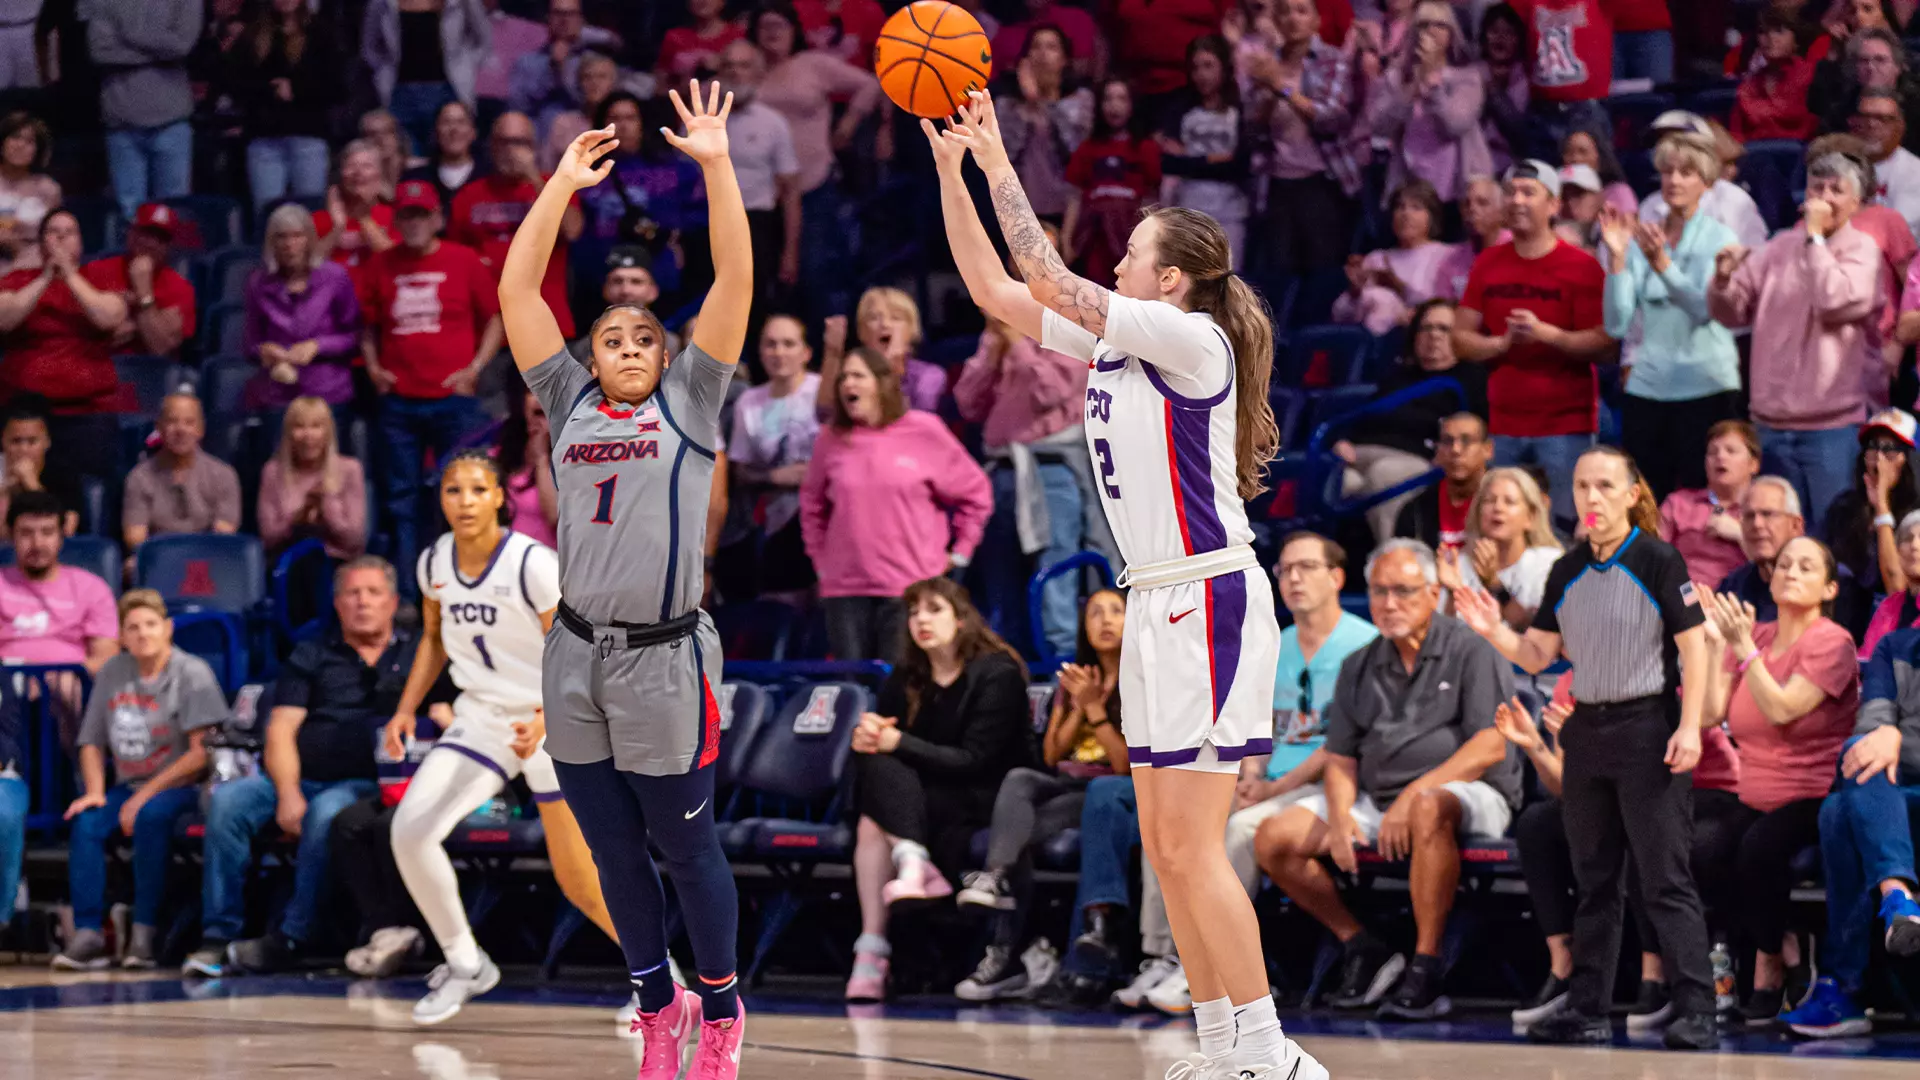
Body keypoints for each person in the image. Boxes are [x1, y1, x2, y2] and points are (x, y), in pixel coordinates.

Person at [930, 89, 1328, 1079]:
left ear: (1174, 279)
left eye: (1133, 254)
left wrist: (999, 157)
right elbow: (995, 289)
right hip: (1153, 598)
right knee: (1163, 842)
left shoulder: (1195, 341)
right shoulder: (1118, 343)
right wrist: (951, 172)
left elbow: (1046, 272)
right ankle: (1222, 1046)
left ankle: (1273, 1052)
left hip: (1207, 596)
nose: (1116, 267)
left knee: (1193, 845)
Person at [503, 85, 753, 1075]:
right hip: (575, 653)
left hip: (665, 657)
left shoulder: (692, 400)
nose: (630, 348)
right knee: (611, 853)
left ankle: (723, 1011)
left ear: (669, 352)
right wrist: (560, 187)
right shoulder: (566, 401)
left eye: (646, 336)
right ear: (591, 355)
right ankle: (658, 1004)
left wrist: (718, 166)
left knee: (686, 849)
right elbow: (517, 296)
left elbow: (734, 277)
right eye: (613, 337)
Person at [1454, 446, 1718, 1049]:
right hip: (1587, 730)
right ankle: (1588, 1008)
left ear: (1631, 494)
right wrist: (1492, 629)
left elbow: (1695, 646)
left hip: (1648, 726)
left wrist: (1689, 727)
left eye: (1604, 485)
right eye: (1581, 486)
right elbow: (1537, 655)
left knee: (1664, 878)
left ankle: (1697, 1006)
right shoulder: (1566, 569)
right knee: (1594, 879)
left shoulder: (1658, 558)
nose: (1591, 497)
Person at [371, 450, 617, 1023]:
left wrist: (548, 717)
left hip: (554, 718)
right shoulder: (434, 560)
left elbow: (577, 652)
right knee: (410, 831)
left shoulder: (532, 564)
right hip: (484, 717)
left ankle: (660, 981)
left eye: (478, 490)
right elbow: (434, 638)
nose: (465, 502)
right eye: (453, 491)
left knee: (579, 878)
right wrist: (406, 708)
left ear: (500, 497)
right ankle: (466, 963)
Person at [1255, 539, 1519, 1019]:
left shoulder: (1471, 648)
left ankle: (1426, 965)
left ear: (1434, 593)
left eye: (1404, 591)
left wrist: (1414, 796)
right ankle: (1361, 944)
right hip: (1381, 800)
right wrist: (1340, 818)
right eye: (1379, 591)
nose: (1389, 603)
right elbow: (1340, 758)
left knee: (1428, 807)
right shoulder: (1360, 662)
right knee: (1274, 837)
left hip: (1472, 795)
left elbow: (1491, 745)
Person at [1119, 534, 1379, 1015]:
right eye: (1285, 569)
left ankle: (1209, 965)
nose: (1293, 578)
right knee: (1174, 828)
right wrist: (1250, 777)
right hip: (1269, 783)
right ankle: (1163, 954)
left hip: (1329, 787)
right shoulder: (1274, 640)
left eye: (1306, 567)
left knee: (1237, 831)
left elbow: (1347, 744)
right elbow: (1255, 722)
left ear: (1337, 577)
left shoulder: (1365, 644)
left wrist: (1274, 787)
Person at [185, 557, 414, 977]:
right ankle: (217, 935)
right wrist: (288, 793)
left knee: (325, 814)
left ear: (393, 602)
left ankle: (292, 936)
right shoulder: (311, 653)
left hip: (367, 783)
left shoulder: (415, 655)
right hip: (300, 778)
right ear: (337, 603)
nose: (363, 602)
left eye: (373, 593)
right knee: (229, 801)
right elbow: (281, 729)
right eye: (352, 593)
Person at [1696, 538, 1860, 1022]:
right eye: (1785, 564)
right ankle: (1780, 942)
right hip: (1752, 792)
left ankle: (1768, 962)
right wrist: (1715, 642)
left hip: (1814, 795)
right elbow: (1710, 713)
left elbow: (1783, 708)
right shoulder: (1756, 635)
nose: (1791, 571)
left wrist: (1744, 648)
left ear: (1828, 588)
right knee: (1699, 844)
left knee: (1758, 847)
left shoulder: (1833, 643)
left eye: (1806, 567)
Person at [847, 577, 1033, 1000]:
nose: (921, 621)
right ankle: (906, 877)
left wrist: (897, 742)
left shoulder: (998, 672)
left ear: (961, 618)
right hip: (924, 795)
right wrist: (870, 737)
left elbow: (977, 760)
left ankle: (873, 949)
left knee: (875, 819)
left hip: (990, 797)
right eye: (914, 612)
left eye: (934, 610)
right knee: (873, 766)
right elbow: (891, 747)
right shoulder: (907, 675)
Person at [956, 588, 1128, 1001]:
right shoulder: (1075, 679)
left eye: (1116, 611)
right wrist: (1076, 706)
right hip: (1066, 781)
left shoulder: (1140, 681)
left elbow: (1124, 765)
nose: (1105, 620)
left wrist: (1095, 709)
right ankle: (994, 880)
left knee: (1015, 836)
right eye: (1095, 613)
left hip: (1106, 791)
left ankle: (1011, 951)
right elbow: (1052, 755)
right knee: (1020, 779)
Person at [1708, 148, 1881, 535]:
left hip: (1832, 427)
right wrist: (1722, 281)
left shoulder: (1864, 250)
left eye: (1836, 190)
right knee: (1775, 537)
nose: (1823, 198)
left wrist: (1815, 240)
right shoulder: (1777, 247)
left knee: (1834, 538)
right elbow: (1730, 313)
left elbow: (1833, 300)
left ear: (1855, 203)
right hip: (1769, 424)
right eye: (1816, 188)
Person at [52, 591, 225, 970]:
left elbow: (201, 754)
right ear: (121, 637)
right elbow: (91, 741)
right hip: (127, 786)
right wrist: (95, 792)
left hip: (182, 787)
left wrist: (142, 796)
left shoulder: (191, 672)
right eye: (133, 627)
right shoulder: (113, 671)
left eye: (151, 624)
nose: (143, 633)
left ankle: (144, 934)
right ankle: (88, 933)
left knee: (150, 817)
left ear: (168, 629)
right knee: (86, 821)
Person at [357, 179, 502, 599]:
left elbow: (495, 318)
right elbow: (367, 326)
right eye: (407, 215)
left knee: (463, 497)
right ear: (397, 221)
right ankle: (409, 595)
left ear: (437, 218)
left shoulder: (464, 260)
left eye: (422, 215)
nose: (415, 223)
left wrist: (475, 368)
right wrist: (374, 369)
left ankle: (464, 589)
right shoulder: (380, 265)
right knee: (402, 501)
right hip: (399, 402)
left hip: (455, 401)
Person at [800, 346, 991, 662]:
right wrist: (821, 561)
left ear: (882, 383)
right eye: (844, 377)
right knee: (852, 684)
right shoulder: (830, 439)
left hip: (910, 588)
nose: (848, 383)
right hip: (845, 590)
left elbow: (976, 492)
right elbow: (811, 505)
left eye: (858, 375)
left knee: (903, 683)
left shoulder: (924, 430)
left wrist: (961, 551)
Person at [1453, 161, 1612, 532]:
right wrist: (1501, 343)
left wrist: (1548, 335)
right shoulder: (1487, 262)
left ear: (1553, 205)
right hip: (1503, 421)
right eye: (1511, 192)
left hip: (1566, 424)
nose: (1517, 200)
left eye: (1529, 192)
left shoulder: (1582, 266)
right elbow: (1460, 339)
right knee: (1501, 529)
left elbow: (1605, 345)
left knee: (1568, 527)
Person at [1778, 622, 1920, 1037]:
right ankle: (1898, 900)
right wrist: (1883, 734)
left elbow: (1886, 738)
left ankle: (1844, 987)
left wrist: (1895, 737)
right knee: (1851, 771)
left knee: (1841, 811)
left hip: (1897, 796)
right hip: (1897, 798)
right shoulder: (1895, 647)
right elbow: (1870, 726)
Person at [1599, 132, 1743, 502]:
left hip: (1707, 385)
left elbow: (1704, 309)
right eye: (1667, 171)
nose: (1674, 180)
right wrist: (1618, 258)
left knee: (1704, 500)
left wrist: (1661, 263)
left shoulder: (1720, 236)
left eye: (1686, 172)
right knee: (1644, 500)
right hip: (1648, 386)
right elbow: (1616, 323)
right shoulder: (1643, 237)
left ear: (1706, 183)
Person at [955, 308, 1094, 659]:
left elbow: (1051, 392)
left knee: (1054, 573)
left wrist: (1017, 342)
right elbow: (968, 402)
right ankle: (1007, 666)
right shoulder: (997, 336)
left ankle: (1061, 663)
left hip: (1052, 469)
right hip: (1001, 471)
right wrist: (995, 349)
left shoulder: (1068, 325)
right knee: (1000, 577)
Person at [750, 1, 884, 323]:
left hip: (813, 182)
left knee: (814, 271)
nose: (772, 33)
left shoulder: (813, 64)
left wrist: (849, 123)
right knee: (764, 276)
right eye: (765, 26)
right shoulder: (747, 69)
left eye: (779, 25)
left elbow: (871, 84)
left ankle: (825, 343)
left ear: (794, 30)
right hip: (761, 191)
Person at [1335, 301, 1489, 545]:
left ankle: (1394, 555)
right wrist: (1343, 441)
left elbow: (1475, 428)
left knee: (1382, 474)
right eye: (1426, 328)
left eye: (1443, 328)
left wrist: (1448, 452)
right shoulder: (1398, 376)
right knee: (1336, 479)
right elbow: (1364, 418)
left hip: (1418, 459)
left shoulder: (1471, 378)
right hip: (1362, 454)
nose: (1434, 335)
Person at [1242, 0, 1365, 289]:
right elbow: (1252, 128)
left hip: (1320, 181)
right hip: (1276, 182)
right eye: (1285, 12)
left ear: (1316, 21)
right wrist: (1266, 92)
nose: (1292, 19)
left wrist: (1282, 88)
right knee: (1278, 276)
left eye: (1301, 11)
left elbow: (1332, 117)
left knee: (1323, 273)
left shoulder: (1331, 60)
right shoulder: (1267, 63)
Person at [0, 210, 129, 483]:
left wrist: (69, 275)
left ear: (80, 243)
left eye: (69, 232)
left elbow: (109, 317)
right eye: (53, 232)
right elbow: (4, 319)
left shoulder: (100, 279)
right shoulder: (18, 280)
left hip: (86, 414)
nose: (60, 238)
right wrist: (46, 277)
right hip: (24, 414)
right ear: (40, 243)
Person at [449, 110, 580, 338]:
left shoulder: (556, 185)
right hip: (488, 329)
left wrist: (533, 177)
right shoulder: (468, 196)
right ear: (491, 147)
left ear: (534, 147)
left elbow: (571, 230)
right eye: (503, 142)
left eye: (519, 142)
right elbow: (454, 258)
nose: (511, 150)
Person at [243, 203, 364, 411]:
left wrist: (318, 346)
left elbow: (355, 337)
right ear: (271, 242)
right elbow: (250, 344)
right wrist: (264, 350)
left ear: (310, 239)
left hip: (328, 392)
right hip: (278, 393)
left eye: (297, 236)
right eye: (281, 237)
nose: (289, 244)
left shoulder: (334, 277)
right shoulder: (258, 283)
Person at [229, 0, 346, 214]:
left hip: (307, 136)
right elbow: (234, 83)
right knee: (267, 215)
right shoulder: (253, 35)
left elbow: (337, 87)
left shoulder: (321, 33)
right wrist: (268, 90)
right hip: (264, 139)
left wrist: (297, 90)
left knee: (311, 214)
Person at [1366, 2, 1489, 206]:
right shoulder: (1397, 77)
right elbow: (1379, 125)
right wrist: (1413, 86)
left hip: (1454, 191)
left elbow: (1454, 125)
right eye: (1423, 24)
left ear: (1451, 34)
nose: (1430, 30)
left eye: (1439, 24)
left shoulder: (1467, 78)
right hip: (1408, 187)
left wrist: (1433, 85)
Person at [715, 40, 804, 318]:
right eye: (729, 65)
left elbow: (791, 192)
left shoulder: (773, 123)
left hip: (757, 226)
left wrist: (790, 252)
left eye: (744, 65)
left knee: (755, 312)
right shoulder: (697, 120)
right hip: (707, 225)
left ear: (757, 73)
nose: (735, 72)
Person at [90, 0, 198, 220]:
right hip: (121, 121)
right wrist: (159, 50)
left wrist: (129, 32)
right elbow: (100, 51)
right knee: (129, 215)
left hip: (171, 119)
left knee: (173, 213)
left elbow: (182, 46)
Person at [1061, 78, 1161, 289]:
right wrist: (1066, 238)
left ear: (1132, 105)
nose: (1114, 105)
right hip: (1095, 242)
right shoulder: (1087, 148)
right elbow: (1075, 198)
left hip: (1130, 238)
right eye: (1108, 99)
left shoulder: (1146, 148)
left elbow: (1152, 200)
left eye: (1121, 99)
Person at [1332, 181, 1466, 335]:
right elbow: (1339, 316)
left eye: (1416, 207)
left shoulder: (1448, 255)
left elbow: (1452, 305)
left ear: (1432, 216)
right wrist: (1354, 293)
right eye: (1400, 207)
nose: (1406, 214)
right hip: (1376, 340)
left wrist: (1399, 287)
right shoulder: (1377, 258)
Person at [360, 0, 491, 155]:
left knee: (448, 155)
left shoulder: (461, 2)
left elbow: (483, 39)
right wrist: (383, 70)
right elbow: (370, 47)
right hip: (400, 94)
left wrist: (466, 65)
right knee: (404, 156)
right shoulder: (382, 3)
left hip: (447, 91)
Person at [1439, 466, 1562, 629]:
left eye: (1509, 502)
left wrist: (1494, 585)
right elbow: (1443, 634)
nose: (1497, 508)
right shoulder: (1459, 565)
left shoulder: (1549, 563)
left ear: (1530, 517)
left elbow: (1531, 628)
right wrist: (1452, 592)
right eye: (1489, 501)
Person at [996, 26, 1092, 229]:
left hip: (1069, 211)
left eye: (1051, 47)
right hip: (1018, 210)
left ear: (1064, 59)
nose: (1042, 54)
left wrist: (1039, 101)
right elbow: (1005, 155)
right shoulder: (1006, 106)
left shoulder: (1081, 101)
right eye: (1036, 46)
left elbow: (1075, 152)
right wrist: (1028, 104)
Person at [121, 394, 241, 548]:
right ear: (159, 427)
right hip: (158, 556)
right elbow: (135, 537)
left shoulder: (223, 475)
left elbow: (224, 535)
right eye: (172, 421)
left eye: (189, 422)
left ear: (200, 429)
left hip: (207, 555)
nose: (181, 430)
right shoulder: (139, 477)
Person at [257, 396, 367, 560]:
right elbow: (268, 538)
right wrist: (296, 519)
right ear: (288, 433)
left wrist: (326, 509)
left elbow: (355, 539)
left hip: (338, 562)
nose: (308, 435)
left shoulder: (350, 469)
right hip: (287, 562)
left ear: (328, 432)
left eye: (316, 426)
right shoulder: (272, 471)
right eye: (299, 426)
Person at [1662, 419, 1763, 590]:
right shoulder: (1678, 503)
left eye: (1731, 451)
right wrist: (1687, 594)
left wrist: (1740, 535)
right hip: (1685, 593)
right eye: (1712, 452)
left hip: (1741, 597)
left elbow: (1774, 570)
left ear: (1753, 465)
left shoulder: (1765, 509)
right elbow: (1652, 559)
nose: (1720, 457)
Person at [817, 287, 946, 416]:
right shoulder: (850, 374)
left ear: (912, 330)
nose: (885, 324)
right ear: (862, 332)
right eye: (874, 318)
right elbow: (825, 414)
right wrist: (832, 352)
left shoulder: (928, 375)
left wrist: (891, 368)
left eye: (896, 318)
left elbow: (916, 418)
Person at [1392, 411, 1493, 552]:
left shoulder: (1509, 504)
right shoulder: (1416, 511)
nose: (1456, 450)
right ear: (1437, 450)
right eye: (1447, 441)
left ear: (1488, 449)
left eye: (1466, 441)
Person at [1719, 476, 1809, 622]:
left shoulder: (1826, 581)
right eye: (1749, 516)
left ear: (1796, 525)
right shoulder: (1733, 585)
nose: (1757, 524)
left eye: (1768, 514)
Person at [1732, 9, 1819, 144]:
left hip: (1796, 150)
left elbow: (1789, 112)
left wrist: (1748, 104)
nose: (1770, 38)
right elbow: (1737, 130)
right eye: (1763, 32)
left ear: (1796, 40)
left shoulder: (1809, 73)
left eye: (1779, 31)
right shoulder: (1754, 79)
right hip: (1752, 151)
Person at [0, 399, 81, 535]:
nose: (24, 449)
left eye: (32, 441)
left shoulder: (63, 474)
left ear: (47, 442)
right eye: (16, 441)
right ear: (2, 441)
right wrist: (6, 493)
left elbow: (67, 530)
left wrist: (32, 485)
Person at [315, 140, 397, 273]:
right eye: (351, 166)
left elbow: (396, 262)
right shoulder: (319, 219)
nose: (358, 172)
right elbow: (308, 265)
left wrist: (364, 217)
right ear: (341, 174)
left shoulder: (395, 216)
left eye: (367, 166)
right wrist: (338, 228)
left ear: (379, 175)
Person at [0, 112, 60, 276]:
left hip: (34, 267)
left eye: (29, 141)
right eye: (15, 137)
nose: (20, 145)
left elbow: (56, 238)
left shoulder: (48, 189)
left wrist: (17, 247)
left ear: (37, 151)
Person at [403, 100, 486, 214]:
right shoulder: (417, 179)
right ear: (436, 132)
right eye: (446, 122)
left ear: (473, 132)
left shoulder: (489, 177)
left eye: (461, 122)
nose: (454, 129)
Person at [1476, 3, 1529, 175]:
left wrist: (1494, 93)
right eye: (1494, 31)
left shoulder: (1526, 77)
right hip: (1473, 163)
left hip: (1511, 166)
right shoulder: (1471, 73)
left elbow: (1518, 129)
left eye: (1509, 33)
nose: (1500, 38)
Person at [656, 0, 746, 85]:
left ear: (723, 2)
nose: (703, 1)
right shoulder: (674, 37)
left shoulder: (739, 35)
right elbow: (660, 80)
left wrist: (721, 64)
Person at [1559, 129, 1638, 217]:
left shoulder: (1619, 193)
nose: (1575, 158)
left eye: (1583, 151)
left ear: (1599, 156)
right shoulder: (1556, 193)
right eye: (1568, 152)